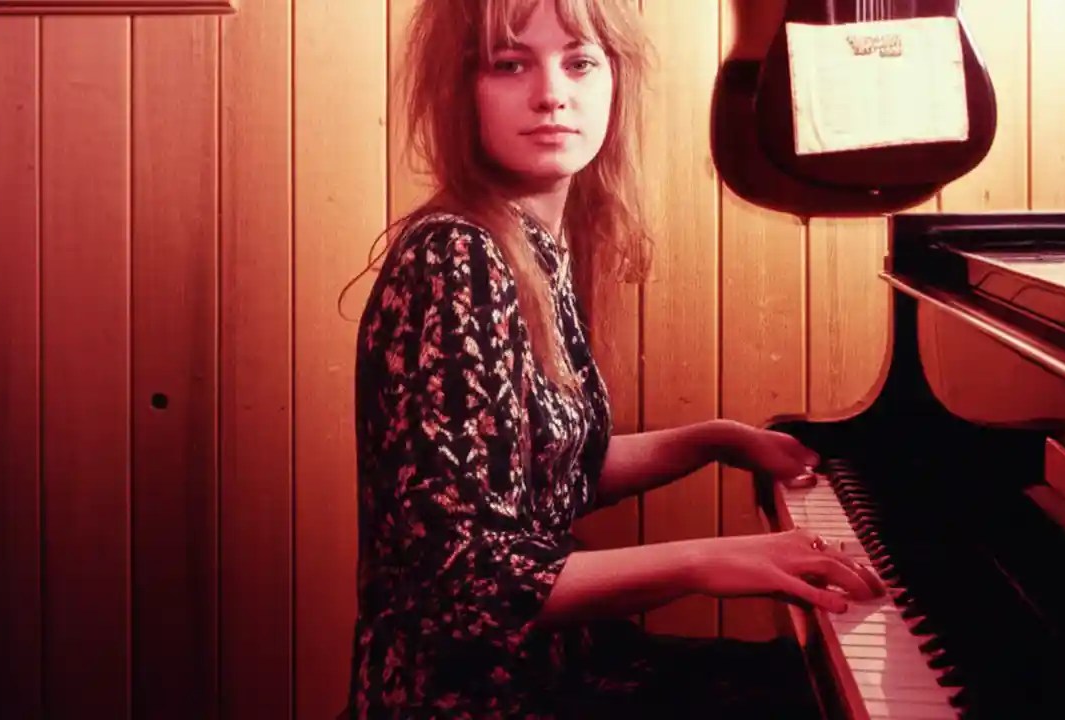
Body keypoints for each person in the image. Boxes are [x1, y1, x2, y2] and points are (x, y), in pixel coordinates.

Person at [340, 0, 886, 716]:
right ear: (458, 89)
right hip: (476, 695)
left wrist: (714, 440)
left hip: (546, 665)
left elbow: (540, 473)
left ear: (613, 81)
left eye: (579, 61)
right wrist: (707, 560)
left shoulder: (527, 245)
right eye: (510, 64)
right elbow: (463, 584)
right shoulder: (457, 257)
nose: (551, 92)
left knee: (801, 689)